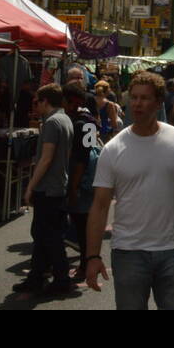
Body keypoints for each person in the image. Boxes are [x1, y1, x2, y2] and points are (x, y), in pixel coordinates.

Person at [86, 72, 174, 309]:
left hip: (172, 249)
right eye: (134, 98)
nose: (138, 103)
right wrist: (92, 256)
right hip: (128, 251)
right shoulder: (113, 149)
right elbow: (100, 205)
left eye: (145, 98)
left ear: (159, 102)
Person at [16, 83, 75, 296]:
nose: (35, 107)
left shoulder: (51, 122)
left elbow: (46, 157)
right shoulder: (65, 119)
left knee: (49, 236)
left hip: (48, 188)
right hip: (58, 184)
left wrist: (30, 186)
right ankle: (36, 276)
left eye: (37, 102)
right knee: (43, 234)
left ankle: (60, 279)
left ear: (45, 101)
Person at [63, 80, 101, 282]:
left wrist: (73, 187)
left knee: (82, 223)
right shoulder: (87, 120)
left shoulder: (79, 122)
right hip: (89, 178)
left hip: (82, 180)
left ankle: (86, 264)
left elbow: (82, 157)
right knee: (82, 223)